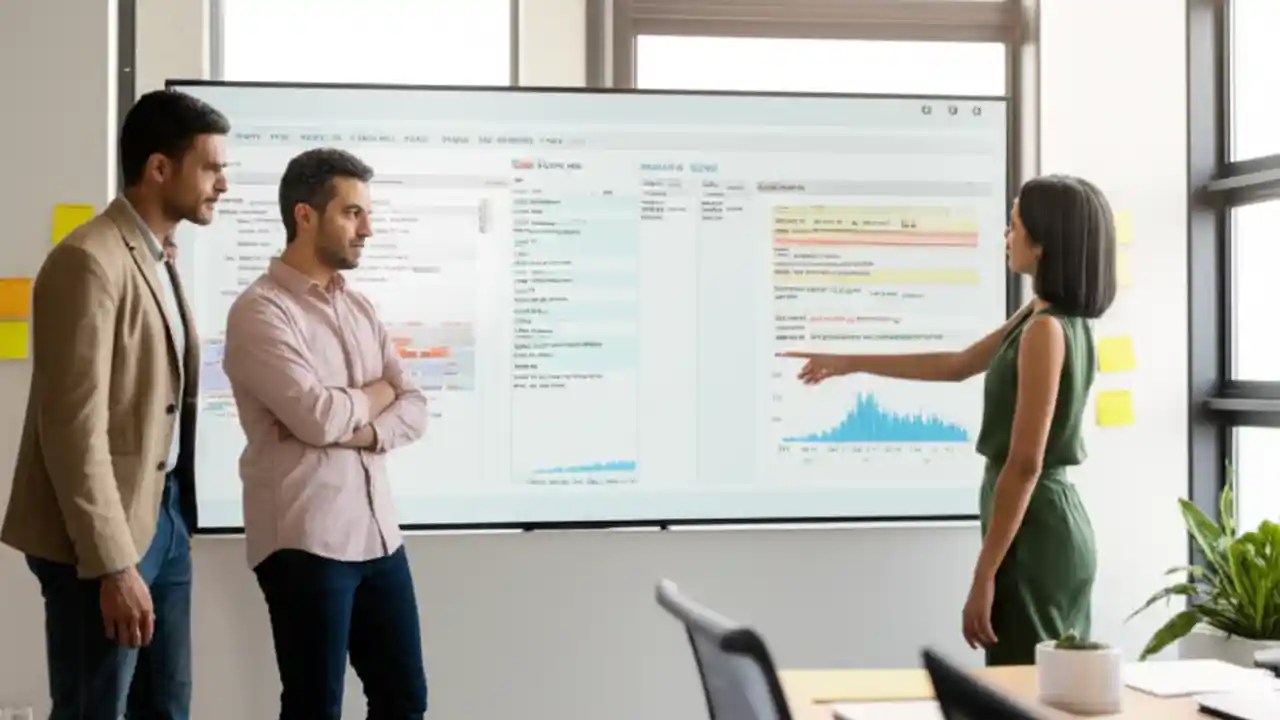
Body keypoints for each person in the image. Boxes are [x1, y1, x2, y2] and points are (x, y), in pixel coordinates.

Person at [780, 174, 1116, 666]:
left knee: (1025, 684)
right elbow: (958, 364)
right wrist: (847, 361)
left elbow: (1025, 464)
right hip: (1040, 520)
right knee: (1033, 680)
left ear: (1043, 242)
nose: (1006, 236)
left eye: (1014, 225)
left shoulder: (1045, 332)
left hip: (1038, 529)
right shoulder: (1042, 317)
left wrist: (983, 577)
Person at [0, 89, 229, 717]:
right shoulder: (87, 260)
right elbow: (72, 428)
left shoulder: (157, 258)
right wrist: (113, 565)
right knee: (93, 709)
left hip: (165, 520)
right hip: (100, 543)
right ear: (159, 168)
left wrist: (171, 524)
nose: (223, 184)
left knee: (167, 708)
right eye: (211, 168)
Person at [222, 147, 429, 719]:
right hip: (306, 542)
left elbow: (414, 404)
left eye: (367, 214)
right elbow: (316, 416)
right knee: (315, 708)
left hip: (379, 538)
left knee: (405, 701)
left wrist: (358, 428)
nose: (367, 229)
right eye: (352, 213)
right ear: (305, 216)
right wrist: (376, 395)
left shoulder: (360, 308)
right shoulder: (261, 312)